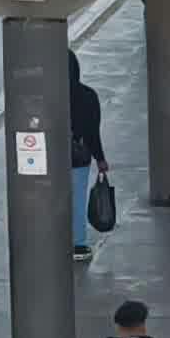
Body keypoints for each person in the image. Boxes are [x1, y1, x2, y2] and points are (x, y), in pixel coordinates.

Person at [68, 70, 107, 264]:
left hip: (50, 157)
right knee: (78, 199)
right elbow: (92, 131)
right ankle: (78, 244)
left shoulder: (49, 96)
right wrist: (100, 158)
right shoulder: (88, 96)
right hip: (78, 156)